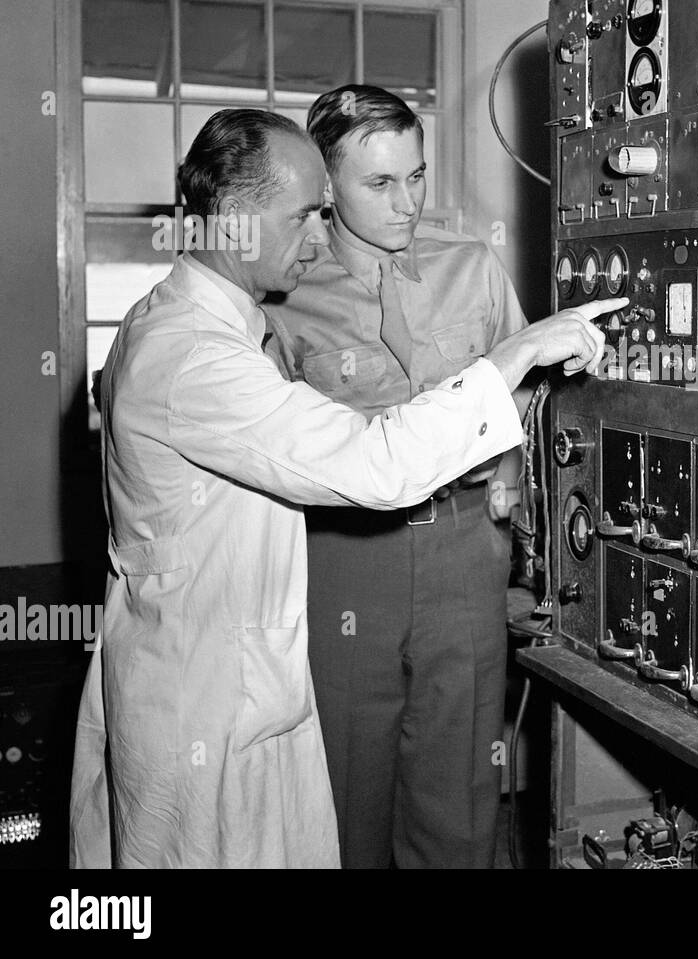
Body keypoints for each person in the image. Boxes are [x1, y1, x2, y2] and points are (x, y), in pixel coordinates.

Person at [69, 108, 621, 868]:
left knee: (447, 797)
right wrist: (519, 351)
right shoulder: (196, 354)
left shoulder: (187, 319)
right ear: (233, 221)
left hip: (407, 569)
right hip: (218, 680)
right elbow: (373, 462)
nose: (318, 231)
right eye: (305, 213)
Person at [262, 85, 524, 868]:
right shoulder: (281, 293)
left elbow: (526, 398)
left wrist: (514, 502)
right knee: (345, 788)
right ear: (325, 185)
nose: (407, 201)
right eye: (380, 183)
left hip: (465, 549)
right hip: (346, 557)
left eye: (416, 176)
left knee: (463, 796)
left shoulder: (471, 266)